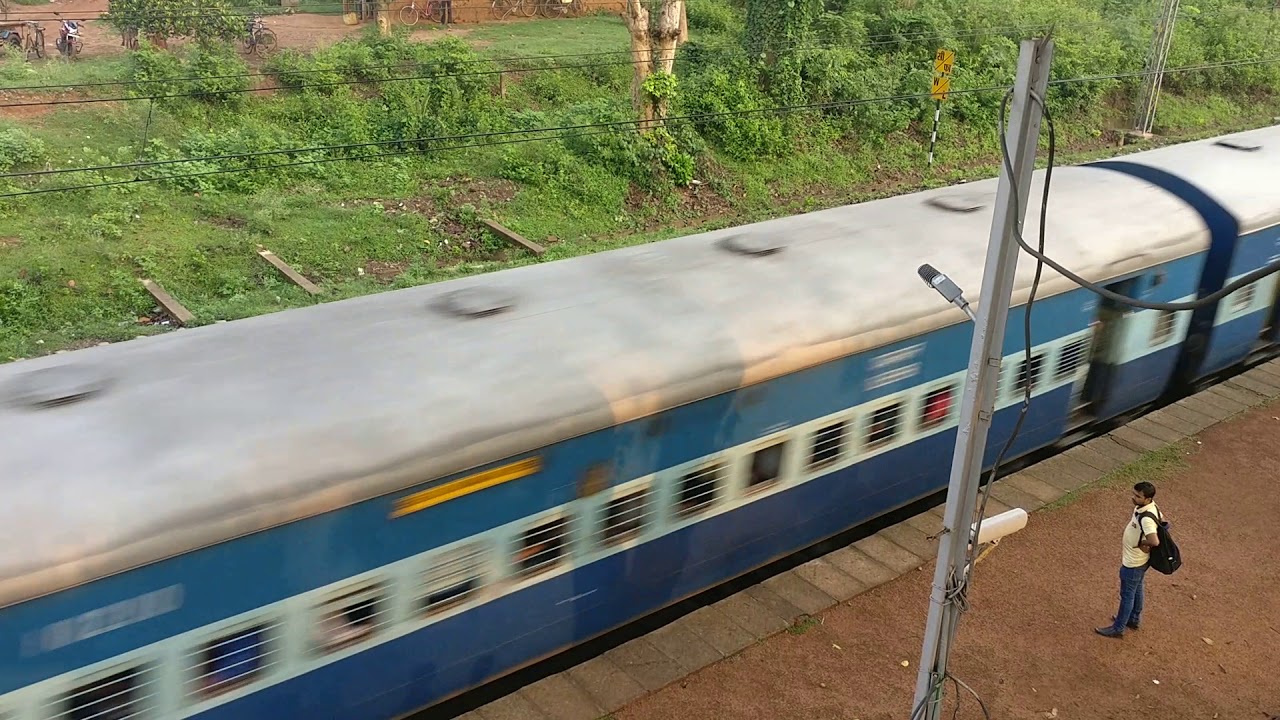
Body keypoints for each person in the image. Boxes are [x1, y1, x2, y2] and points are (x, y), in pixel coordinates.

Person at [1095, 481, 1161, 638]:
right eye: (1134, 494)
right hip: (1140, 561)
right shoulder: (1152, 507)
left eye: (1138, 496)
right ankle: (1133, 619)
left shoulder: (1146, 519)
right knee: (1137, 589)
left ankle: (1118, 628)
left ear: (1147, 498)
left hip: (1134, 562)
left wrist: (1140, 542)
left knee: (1127, 594)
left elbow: (1155, 541)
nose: (1134, 498)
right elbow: (1164, 522)